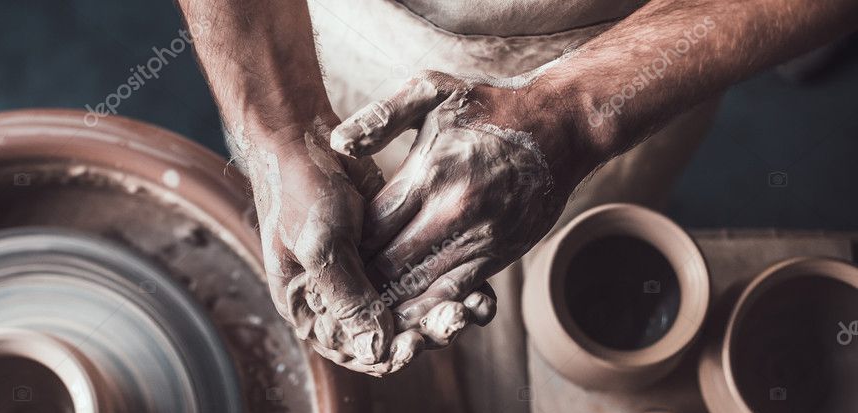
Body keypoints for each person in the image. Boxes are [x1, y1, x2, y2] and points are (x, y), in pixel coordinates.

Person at [177, 0, 858, 376]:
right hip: (331, 26)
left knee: (579, 249)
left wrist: (571, 118)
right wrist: (278, 129)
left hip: (626, 49)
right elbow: (277, 126)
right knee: (336, 222)